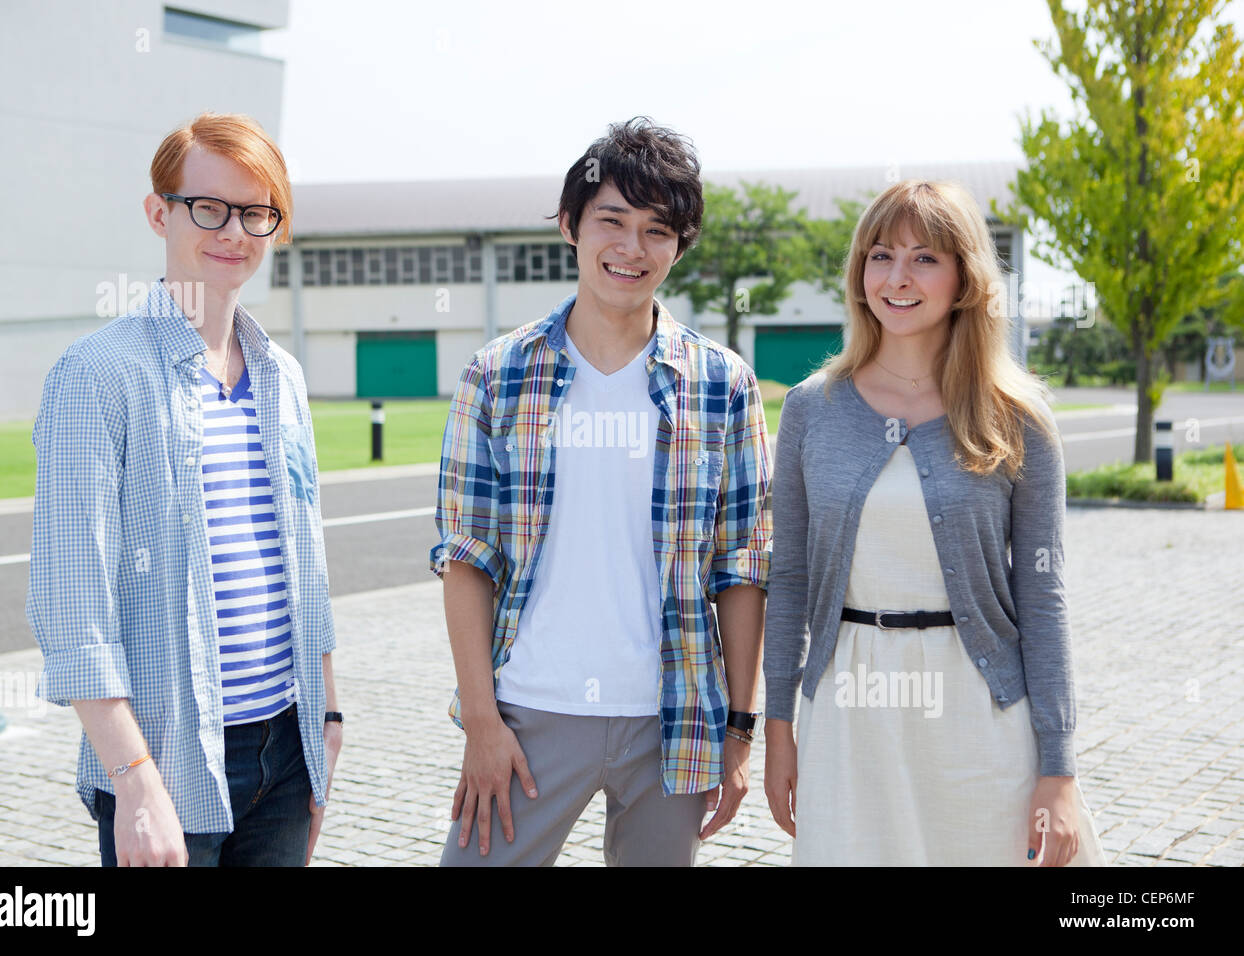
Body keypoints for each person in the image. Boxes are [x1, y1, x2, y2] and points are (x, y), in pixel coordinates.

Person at [430, 117, 773, 866]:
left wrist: (740, 731)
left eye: (658, 230)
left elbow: (743, 567)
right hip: (527, 713)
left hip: (671, 720)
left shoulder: (723, 386)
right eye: (611, 221)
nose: (631, 248)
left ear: (679, 246)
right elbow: (465, 558)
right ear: (570, 226)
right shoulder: (497, 375)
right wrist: (483, 724)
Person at [27, 112, 342, 867]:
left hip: (288, 754)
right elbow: (74, 607)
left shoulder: (282, 377)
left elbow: (307, 559)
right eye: (210, 207)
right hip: (167, 763)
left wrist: (327, 720)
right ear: (158, 212)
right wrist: (133, 782)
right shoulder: (99, 375)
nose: (234, 231)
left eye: (258, 212)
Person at [762, 179, 1105, 866]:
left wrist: (1060, 771)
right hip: (849, 708)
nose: (898, 277)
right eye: (881, 255)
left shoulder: (1018, 417)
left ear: (965, 278)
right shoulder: (810, 409)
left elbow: (1043, 596)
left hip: (977, 713)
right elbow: (790, 578)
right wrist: (777, 731)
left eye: (924, 258)